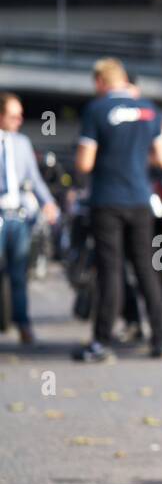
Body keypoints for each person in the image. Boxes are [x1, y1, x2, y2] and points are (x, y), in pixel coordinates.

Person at [73, 57, 162, 363]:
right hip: (140, 199)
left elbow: (84, 163)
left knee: (110, 271)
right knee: (146, 268)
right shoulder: (149, 109)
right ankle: (160, 339)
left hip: (107, 200)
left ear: (101, 82)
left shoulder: (96, 110)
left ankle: (102, 343)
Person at [0, 93, 60, 346]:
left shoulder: (22, 143)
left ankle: (23, 324)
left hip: (19, 216)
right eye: (14, 115)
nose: (19, 120)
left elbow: (34, 179)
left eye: (20, 115)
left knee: (19, 274)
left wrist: (48, 202)